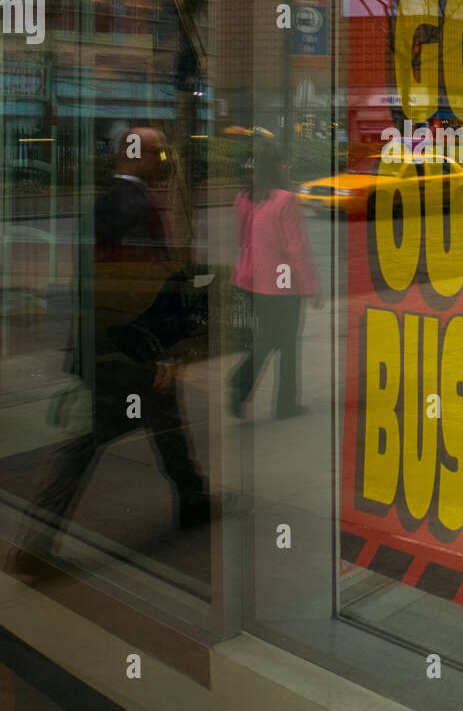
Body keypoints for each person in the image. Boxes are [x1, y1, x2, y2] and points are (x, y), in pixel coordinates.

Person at [7, 129, 212, 577]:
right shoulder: (138, 207)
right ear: (133, 155)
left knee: (165, 421)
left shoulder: (100, 203)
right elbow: (140, 286)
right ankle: (34, 545)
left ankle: (194, 498)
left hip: (104, 344)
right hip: (127, 348)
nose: (162, 160)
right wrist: (160, 350)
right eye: (157, 152)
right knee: (89, 438)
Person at [228, 139, 322, 419]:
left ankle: (243, 383)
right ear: (279, 167)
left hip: (252, 281)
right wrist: (311, 286)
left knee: (268, 337)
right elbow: (296, 249)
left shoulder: (244, 198)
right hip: (282, 285)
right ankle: (284, 403)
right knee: (286, 342)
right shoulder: (285, 200)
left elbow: (242, 241)